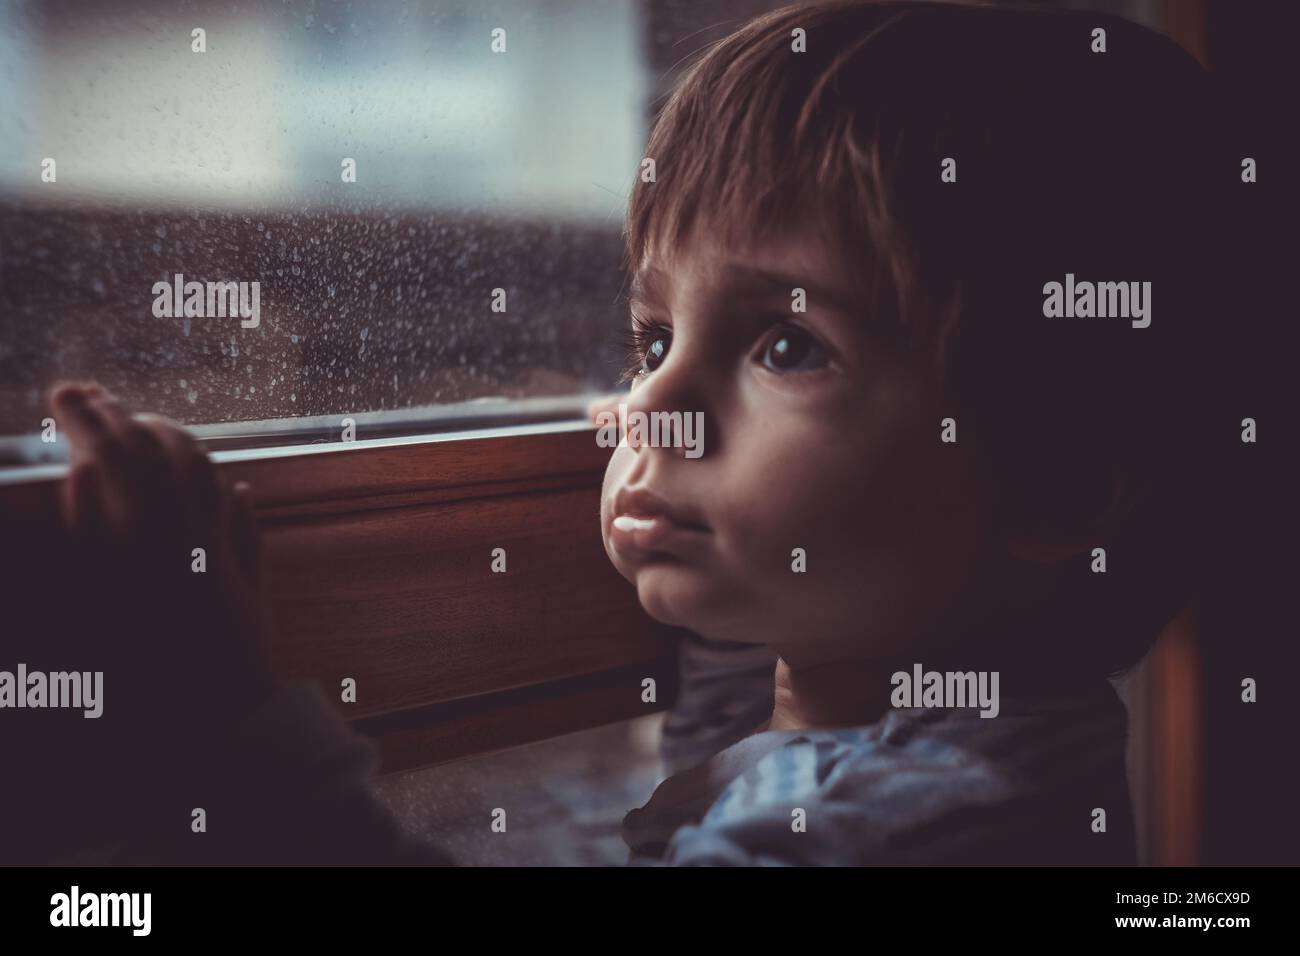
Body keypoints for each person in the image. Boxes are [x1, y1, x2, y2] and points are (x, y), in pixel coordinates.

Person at [30, 0, 1241, 865]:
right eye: (651, 336)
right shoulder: (918, 687)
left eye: (786, 345)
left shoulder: (919, 817)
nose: (650, 408)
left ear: (1061, 479)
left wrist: (224, 717)